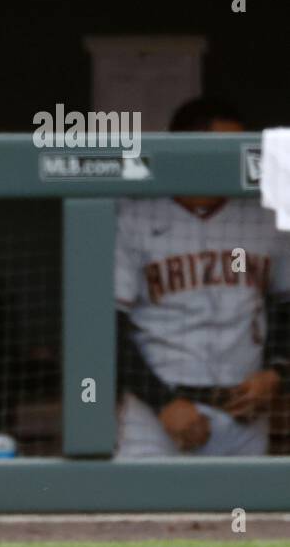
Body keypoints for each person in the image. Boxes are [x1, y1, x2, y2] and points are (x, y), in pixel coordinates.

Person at [115, 97, 290, 456]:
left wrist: (276, 373)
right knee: (144, 513)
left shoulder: (265, 218)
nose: (233, 160)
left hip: (244, 414)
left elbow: (287, 305)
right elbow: (105, 326)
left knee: (242, 512)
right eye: (222, 150)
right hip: (157, 419)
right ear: (185, 151)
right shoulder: (135, 216)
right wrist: (162, 402)